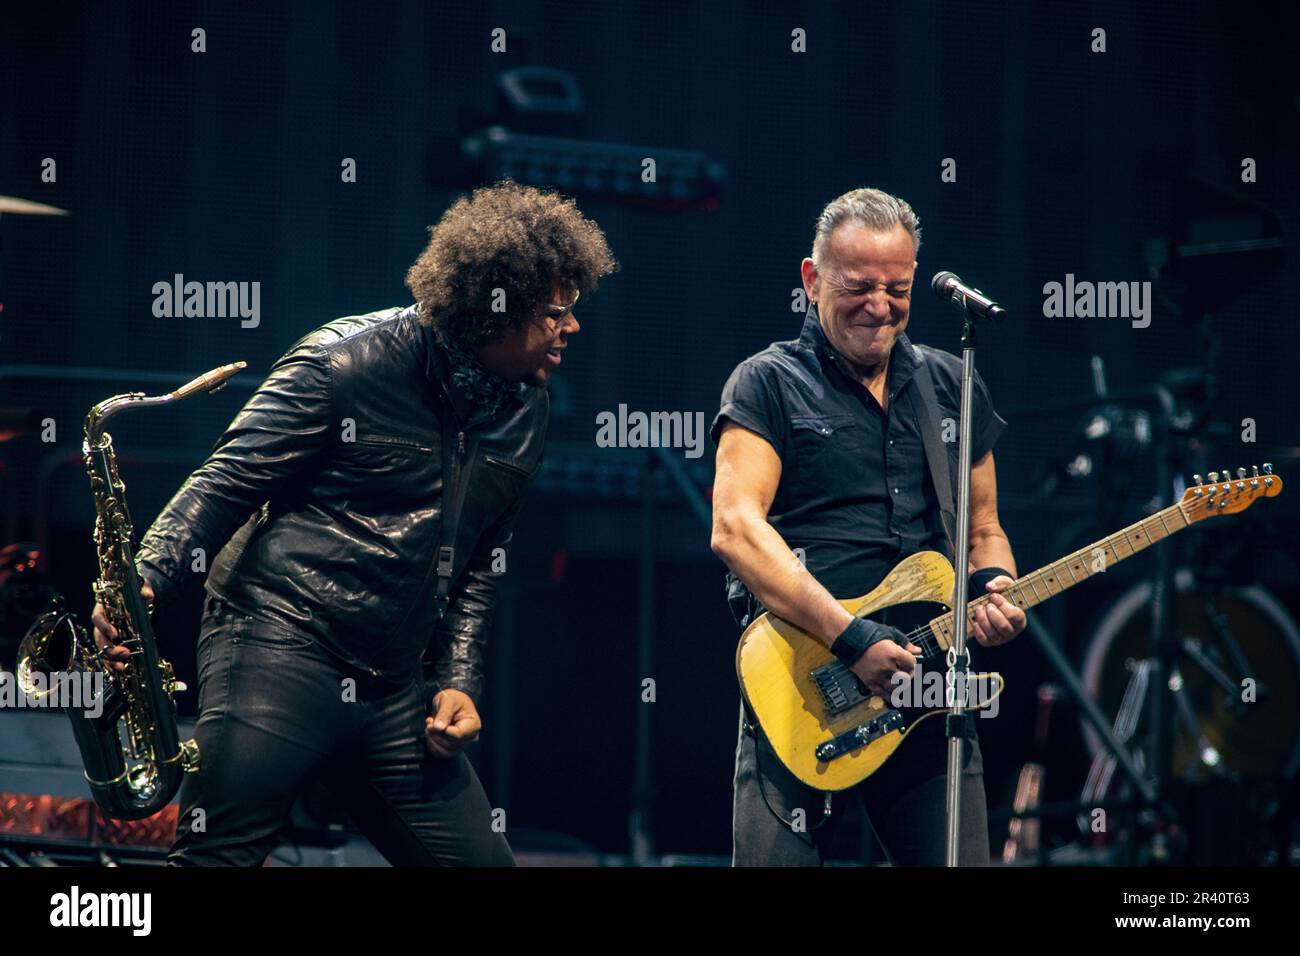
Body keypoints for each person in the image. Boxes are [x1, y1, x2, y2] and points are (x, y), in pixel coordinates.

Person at [93, 180, 615, 865]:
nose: (572, 327)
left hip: (394, 682)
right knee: (215, 858)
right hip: (278, 644)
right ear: (497, 307)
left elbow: (481, 562)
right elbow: (222, 483)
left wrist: (457, 679)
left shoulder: (526, 411)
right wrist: (143, 581)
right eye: (556, 310)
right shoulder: (342, 362)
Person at [709, 187, 1026, 866]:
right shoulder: (766, 383)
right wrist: (849, 637)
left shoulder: (952, 383)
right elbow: (735, 529)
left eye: (897, 287)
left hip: (932, 689)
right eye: (858, 286)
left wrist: (997, 586)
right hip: (803, 678)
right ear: (811, 279)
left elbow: (984, 531)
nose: (879, 306)